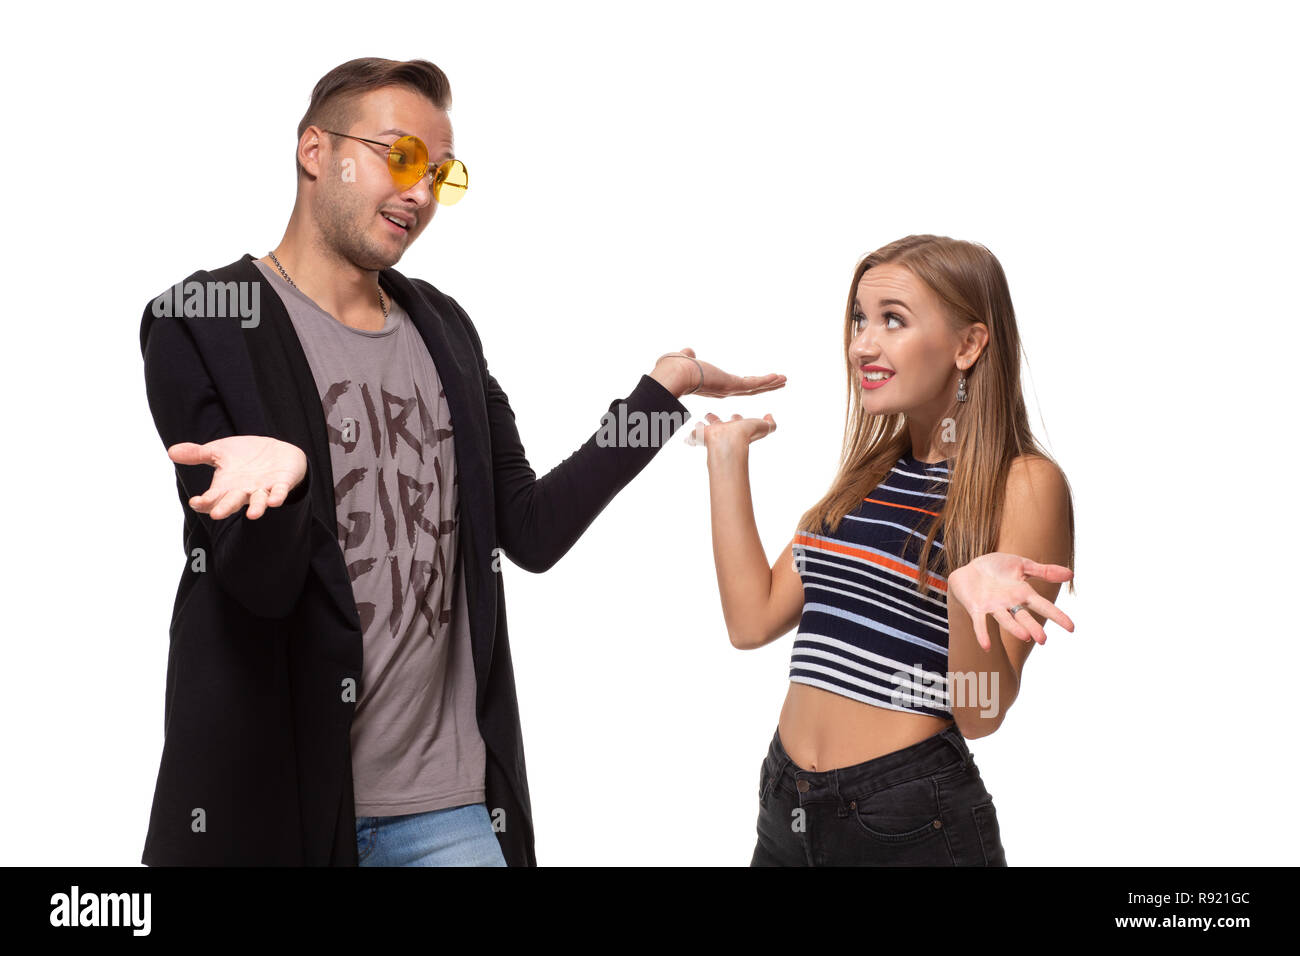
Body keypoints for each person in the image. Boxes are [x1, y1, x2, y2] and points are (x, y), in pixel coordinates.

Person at [137, 56, 784, 867]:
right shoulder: (201, 321)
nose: (421, 192)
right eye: (400, 156)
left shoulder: (442, 329)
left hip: (445, 812)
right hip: (275, 808)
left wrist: (659, 394)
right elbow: (255, 588)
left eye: (441, 174)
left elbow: (531, 529)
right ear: (313, 150)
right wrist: (282, 490)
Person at [691, 234, 1076, 866]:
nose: (861, 344)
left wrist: (962, 597)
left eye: (892, 321)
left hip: (909, 822)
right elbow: (751, 620)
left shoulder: (1024, 485)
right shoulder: (867, 474)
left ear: (969, 344)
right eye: (859, 319)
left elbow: (980, 714)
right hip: (785, 800)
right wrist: (727, 463)